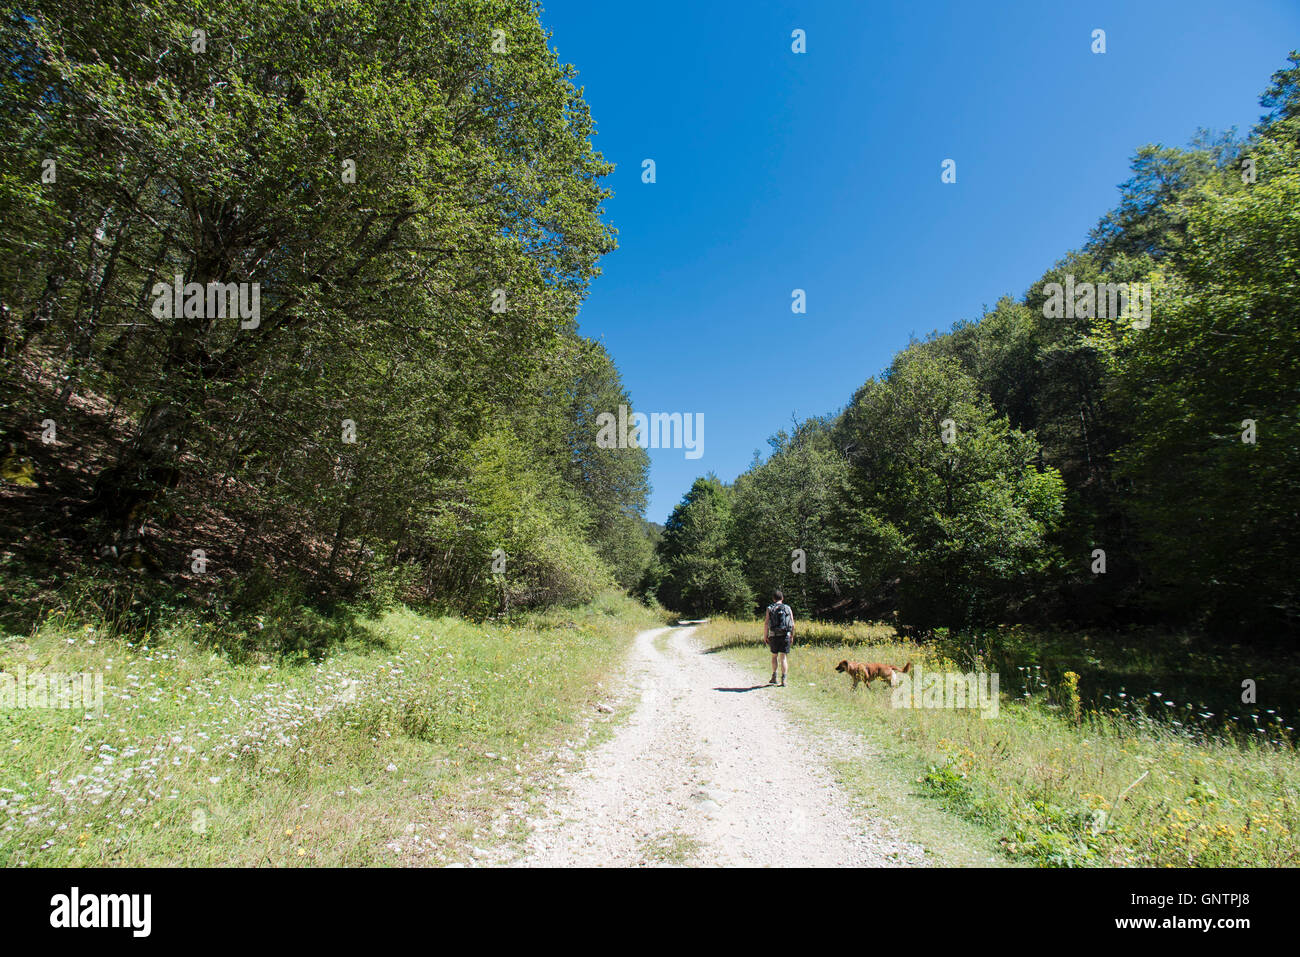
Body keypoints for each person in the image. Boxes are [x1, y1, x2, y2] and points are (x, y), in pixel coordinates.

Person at [762, 589, 795, 686]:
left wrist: (765, 636)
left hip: (773, 635)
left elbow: (766, 623)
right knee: (783, 658)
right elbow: (792, 624)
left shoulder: (770, 608)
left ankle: (774, 677)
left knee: (774, 656)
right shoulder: (787, 608)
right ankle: (784, 679)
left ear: (773, 599)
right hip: (785, 635)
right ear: (782, 598)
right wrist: (792, 635)